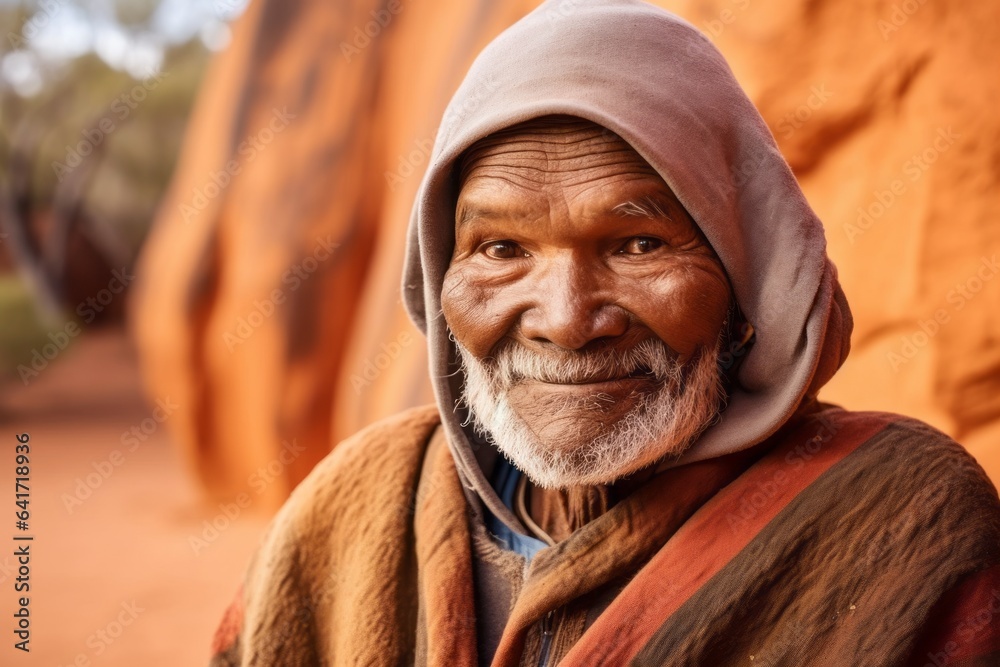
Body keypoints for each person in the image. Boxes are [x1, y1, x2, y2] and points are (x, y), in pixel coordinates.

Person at [209, 1, 1000, 665]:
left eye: (638, 245)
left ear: (748, 270)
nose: (565, 319)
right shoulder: (351, 510)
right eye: (501, 249)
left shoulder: (901, 516)